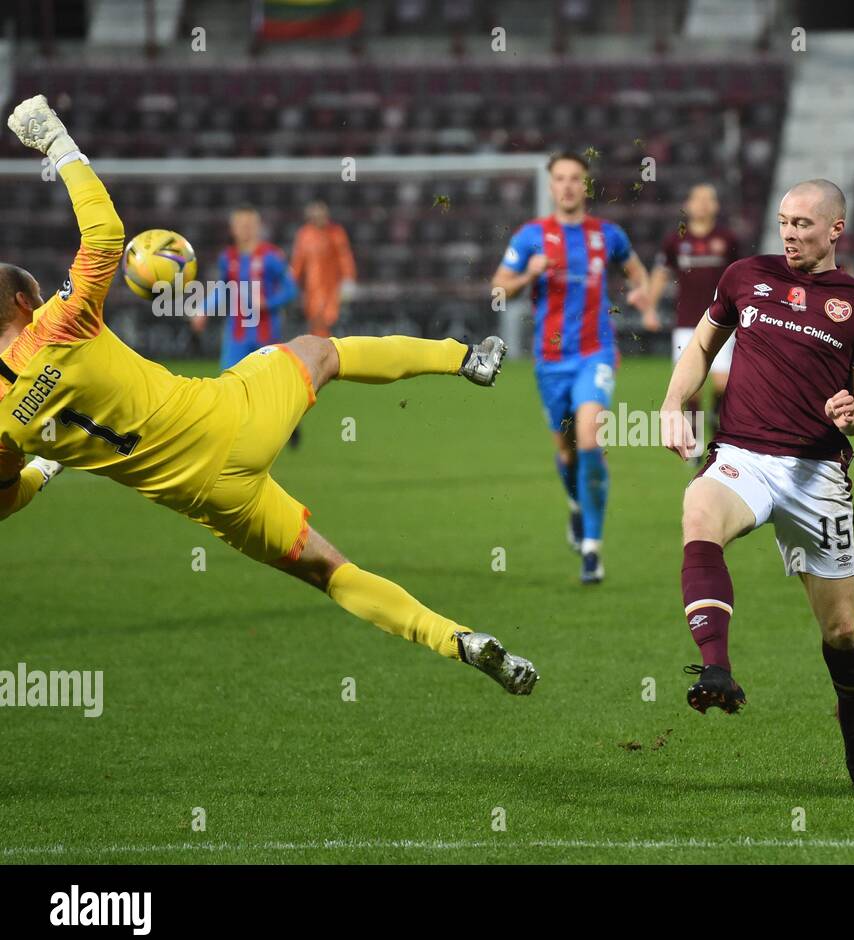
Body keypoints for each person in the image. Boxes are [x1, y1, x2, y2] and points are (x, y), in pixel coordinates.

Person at [0, 95, 537, 695]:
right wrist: (58, 143)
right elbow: (105, 231)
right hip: (229, 417)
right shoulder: (64, 320)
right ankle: (467, 359)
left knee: (333, 572)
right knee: (321, 351)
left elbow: (2, 501)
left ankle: (458, 640)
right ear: (26, 303)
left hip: (212, 498)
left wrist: (43, 469)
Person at [659, 179, 854, 790]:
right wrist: (671, 402)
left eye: (803, 225)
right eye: (784, 222)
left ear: (835, 229)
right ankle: (715, 670)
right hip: (744, 456)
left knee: (841, 632)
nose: (789, 234)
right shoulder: (743, 276)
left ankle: (852, 712)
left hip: (816, 473)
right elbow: (703, 346)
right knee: (698, 511)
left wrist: (852, 414)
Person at [490, 151, 655, 584]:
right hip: (550, 361)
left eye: (574, 178)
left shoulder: (607, 235)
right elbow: (498, 290)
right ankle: (578, 506)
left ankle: (592, 551)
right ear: (550, 186)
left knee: (589, 438)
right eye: (559, 178)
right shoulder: (530, 237)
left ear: (585, 185)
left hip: (595, 353)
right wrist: (528, 275)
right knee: (565, 452)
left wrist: (642, 294)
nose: (566, 186)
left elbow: (638, 271)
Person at [646, 183, 740, 465]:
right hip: (687, 322)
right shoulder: (676, 240)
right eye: (697, 198)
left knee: (723, 384)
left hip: (722, 323)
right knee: (692, 387)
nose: (702, 204)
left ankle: (720, 437)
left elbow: (741, 278)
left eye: (708, 198)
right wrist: (649, 308)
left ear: (715, 206)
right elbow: (661, 275)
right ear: (687, 205)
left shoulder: (727, 238)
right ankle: (696, 442)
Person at [192, 205, 299, 371]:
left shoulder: (271, 255)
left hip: (266, 331)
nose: (245, 229)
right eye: (241, 225)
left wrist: (267, 303)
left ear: (258, 227)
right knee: (231, 384)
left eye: (249, 225)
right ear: (233, 229)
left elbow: (291, 290)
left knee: (266, 385)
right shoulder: (227, 257)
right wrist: (203, 310)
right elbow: (223, 288)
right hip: (237, 332)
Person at [291, 200, 357, 338]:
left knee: (330, 319)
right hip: (312, 287)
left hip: (331, 286)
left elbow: (344, 257)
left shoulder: (336, 233)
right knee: (315, 319)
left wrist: (348, 279)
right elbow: (298, 260)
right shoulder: (304, 234)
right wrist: (292, 280)